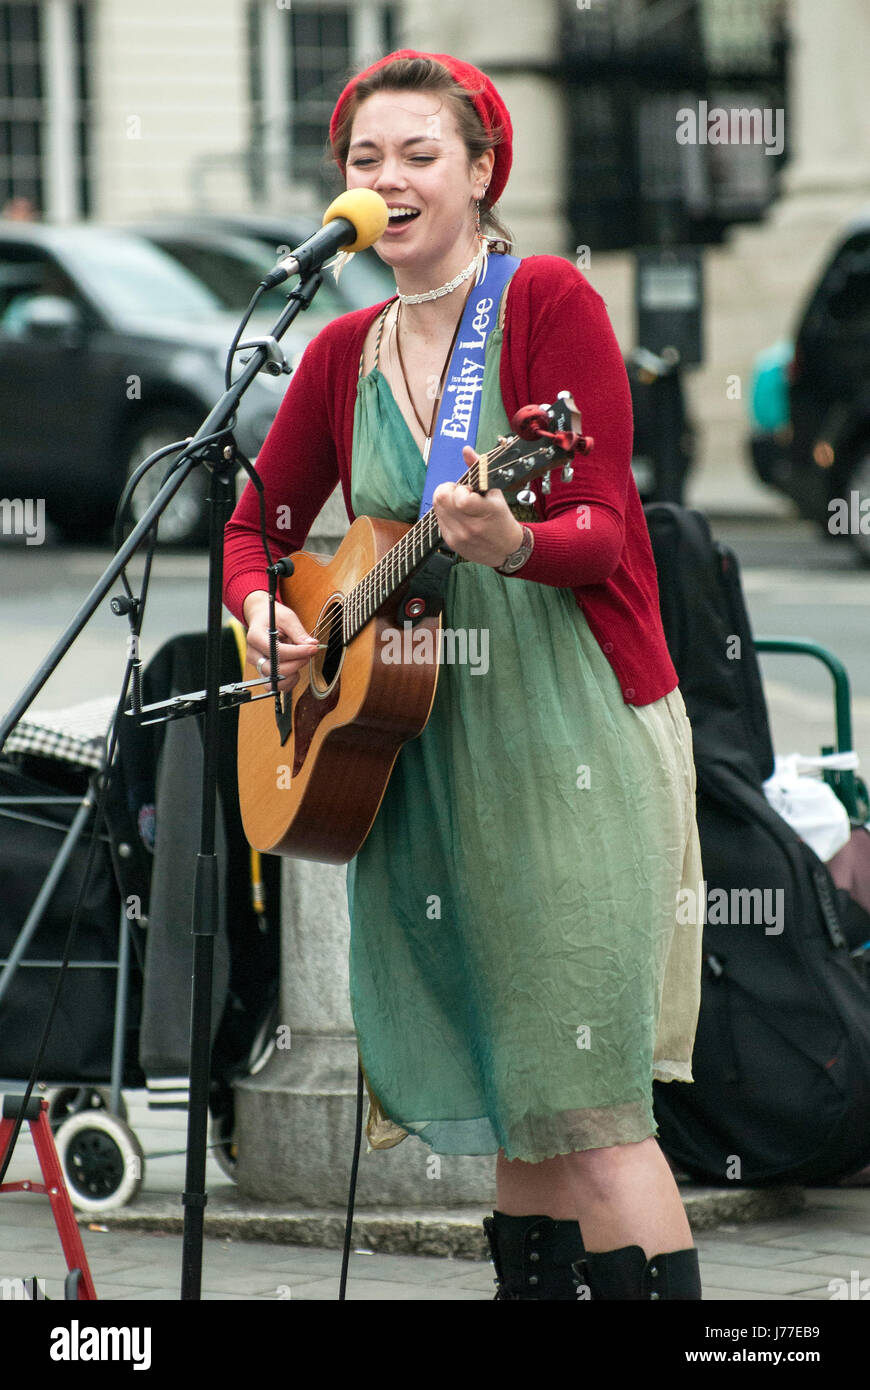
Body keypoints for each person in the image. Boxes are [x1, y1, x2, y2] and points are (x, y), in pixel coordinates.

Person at [223, 49, 705, 1301]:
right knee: (513, 1106)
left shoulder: (546, 299)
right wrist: (261, 614)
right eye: (363, 162)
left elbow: (604, 523)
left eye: (417, 155)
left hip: (566, 741)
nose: (386, 180)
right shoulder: (338, 353)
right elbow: (252, 528)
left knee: (590, 1108)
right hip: (417, 757)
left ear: (483, 172)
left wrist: (519, 540)